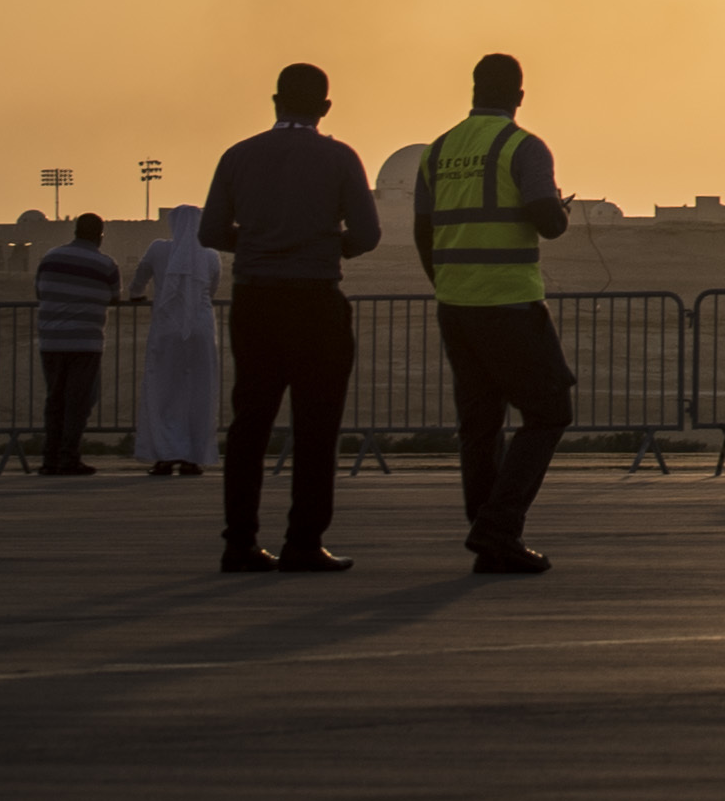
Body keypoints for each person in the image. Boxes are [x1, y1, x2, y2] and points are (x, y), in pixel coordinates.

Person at [196, 63, 379, 571]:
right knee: (318, 425)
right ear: (325, 108)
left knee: (250, 422)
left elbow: (210, 231)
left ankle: (240, 541)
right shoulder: (340, 158)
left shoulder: (238, 156)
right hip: (315, 297)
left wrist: (257, 244)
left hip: (256, 297)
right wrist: (325, 246)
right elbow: (366, 234)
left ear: (275, 101)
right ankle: (304, 540)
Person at [418, 52, 576, 574]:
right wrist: (559, 209)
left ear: (473, 90)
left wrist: (445, 281)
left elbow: (424, 229)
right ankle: (498, 526)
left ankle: (486, 534)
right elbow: (545, 220)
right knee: (549, 411)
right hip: (509, 300)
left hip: (456, 304)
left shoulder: (438, 150)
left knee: (480, 423)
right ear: (520, 95)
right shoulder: (524, 147)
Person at [130, 203, 223, 477]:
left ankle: (166, 454)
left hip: (167, 328)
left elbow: (139, 281)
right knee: (199, 390)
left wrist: (137, 296)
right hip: (202, 328)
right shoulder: (210, 255)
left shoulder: (158, 249)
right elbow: (212, 288)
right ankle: (193, 457)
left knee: (164, 391)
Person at [33, 215, 121, 477]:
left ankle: (50, 458)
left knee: (55, 399)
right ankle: (69, 457)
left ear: (75, 231)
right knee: (79, 401)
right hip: (85, 342)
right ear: (100, 236)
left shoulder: (50, 257)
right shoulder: (106, 264)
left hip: (51, 340)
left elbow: (39, 290)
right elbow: (115, 297)